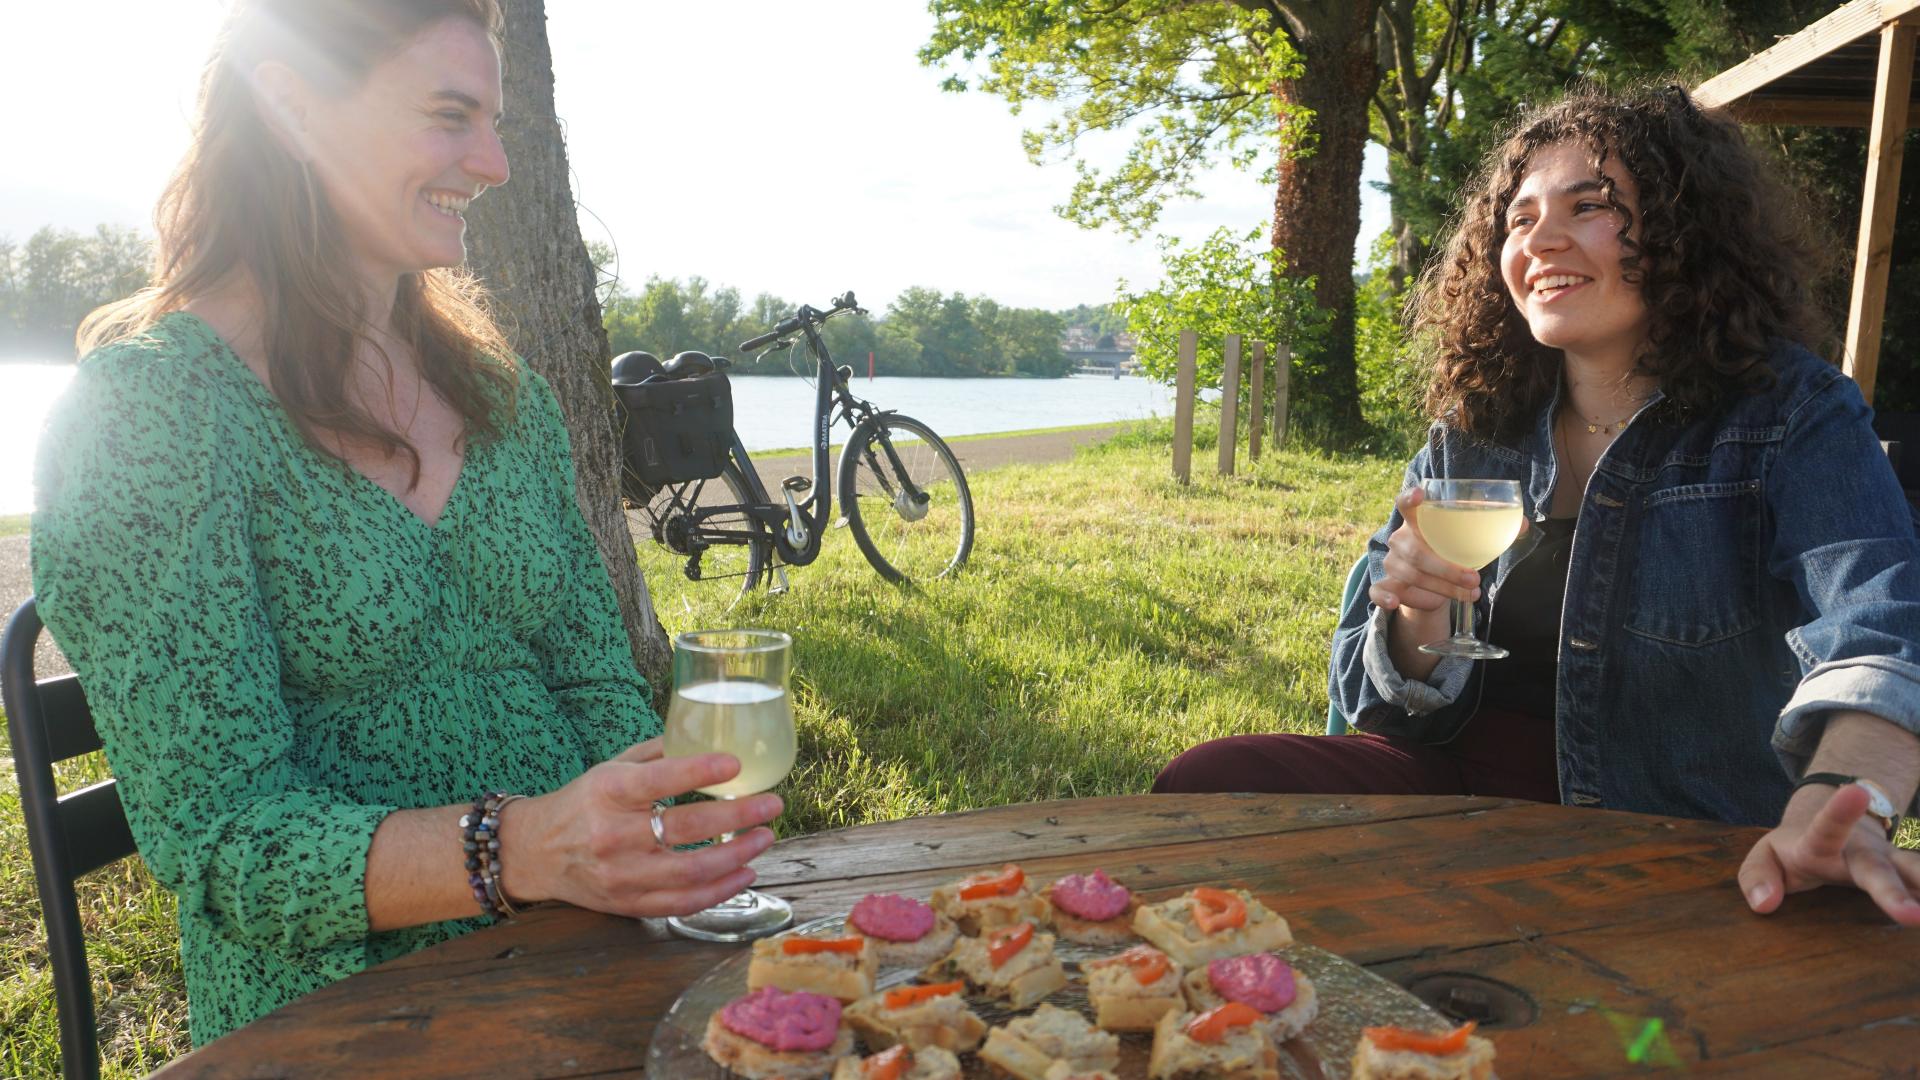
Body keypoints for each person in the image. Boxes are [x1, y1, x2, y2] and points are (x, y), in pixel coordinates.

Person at [30, 0, 781, 1045]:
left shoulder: (499, 394)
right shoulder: (150, 415)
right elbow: (227, 846)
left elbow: (592, 679)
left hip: (586, 956)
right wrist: (517, 849)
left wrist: (660, 834)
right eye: (449, 115)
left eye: (496, 123)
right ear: (292, 106)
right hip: (343, 1017)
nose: (494, 164)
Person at [1154, 85, 1920, 925]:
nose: (1541, 239)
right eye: (1518, 219)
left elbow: (1882, 629)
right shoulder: (1472, 434)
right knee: (1211, 785)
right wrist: (1418, 618)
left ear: (1685, 231)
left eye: (1590, 207)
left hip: (1666, 823)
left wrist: (1836, 799)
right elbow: (1372, 708)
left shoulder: (1791, 414)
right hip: (1458, 793)